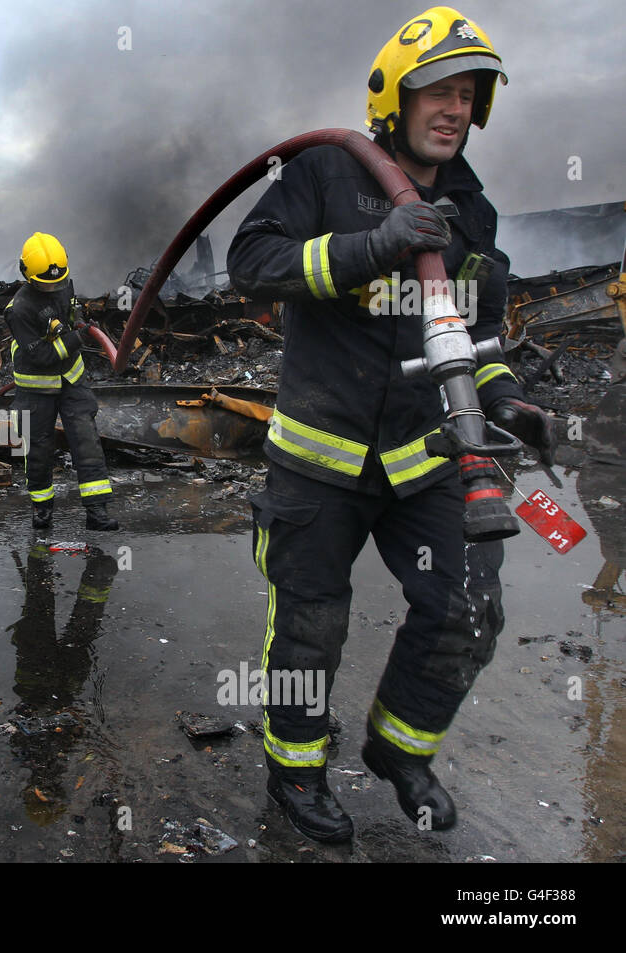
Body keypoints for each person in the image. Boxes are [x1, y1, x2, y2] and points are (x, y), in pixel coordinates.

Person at [226, 6, 556, 842]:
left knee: (467, 606)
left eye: (468, 95)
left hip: (423, 457)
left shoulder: (472, 213)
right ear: (394, 99)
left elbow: (476, 337)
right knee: (310, 619)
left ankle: (399, 749)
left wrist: (507, 397)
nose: (454, 109)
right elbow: (252, 266)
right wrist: (371, 245)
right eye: (437, 91)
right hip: (320, 455)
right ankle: (295, 772)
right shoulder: (325, 174)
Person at [5, 232, 118, 532]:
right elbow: (41, 355)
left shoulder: (62, 281)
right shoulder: (19, 310)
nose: (54, 287)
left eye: (59, 281)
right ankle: (42, 511)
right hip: (35, 388)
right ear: (26, 274)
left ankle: (97, 512)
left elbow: (71, 308)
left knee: (86, 440)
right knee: (38, 449)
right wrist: (76, 338)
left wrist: (78, 321)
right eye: (47, 283)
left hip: (72, 379)